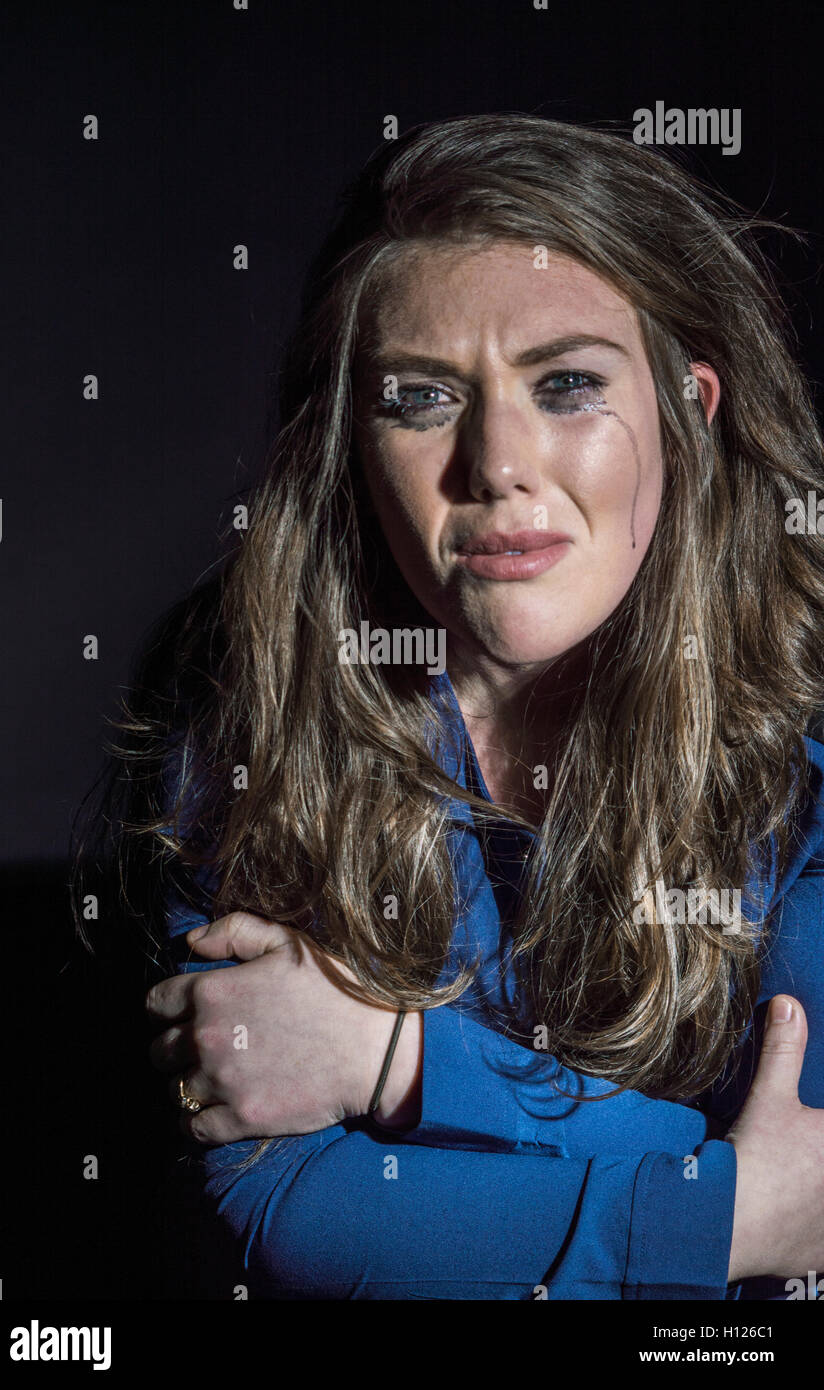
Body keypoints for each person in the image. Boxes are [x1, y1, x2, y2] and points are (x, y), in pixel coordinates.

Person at [97, 113, 824, 1299]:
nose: (495, 462)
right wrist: (725, 1222)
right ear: (355, 440)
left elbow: (819, 1175)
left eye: (569, 383)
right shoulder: (251, 705)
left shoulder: (809, 714)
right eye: (424, 398)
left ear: (691, 410)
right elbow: (290, 1210)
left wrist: (398, 1063)